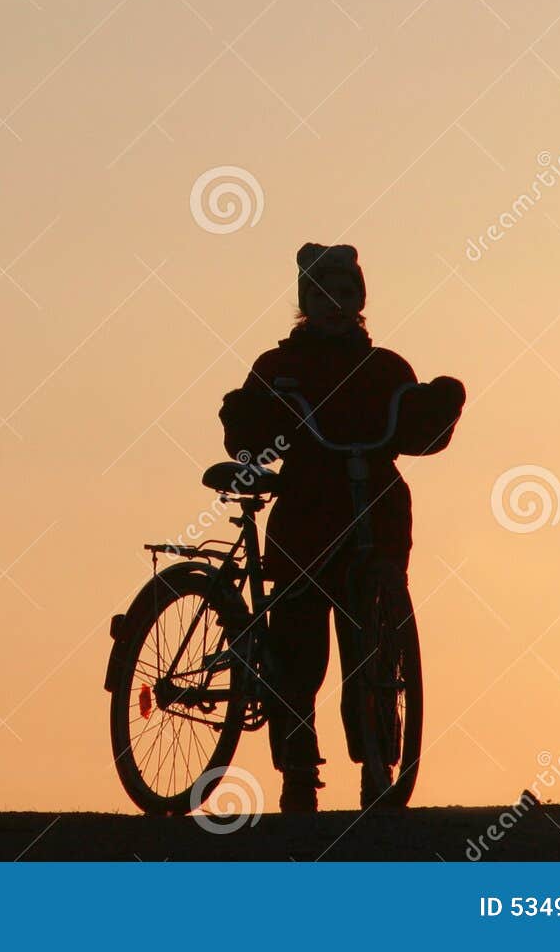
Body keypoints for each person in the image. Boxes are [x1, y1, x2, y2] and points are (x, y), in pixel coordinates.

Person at [218, 243, 465, 812]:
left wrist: (442, 403)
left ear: (360, 301)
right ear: (306, 302)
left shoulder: (385, 369)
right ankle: (299, 767)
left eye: (346, 293)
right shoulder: (279, 367)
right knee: (298, 644)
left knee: (372, 644)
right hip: (306, 511)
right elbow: (249, 429)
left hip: (373, 512)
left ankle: (377, 759)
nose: (335, 304)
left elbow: (414, 429)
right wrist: (252, 422)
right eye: (323, 294)